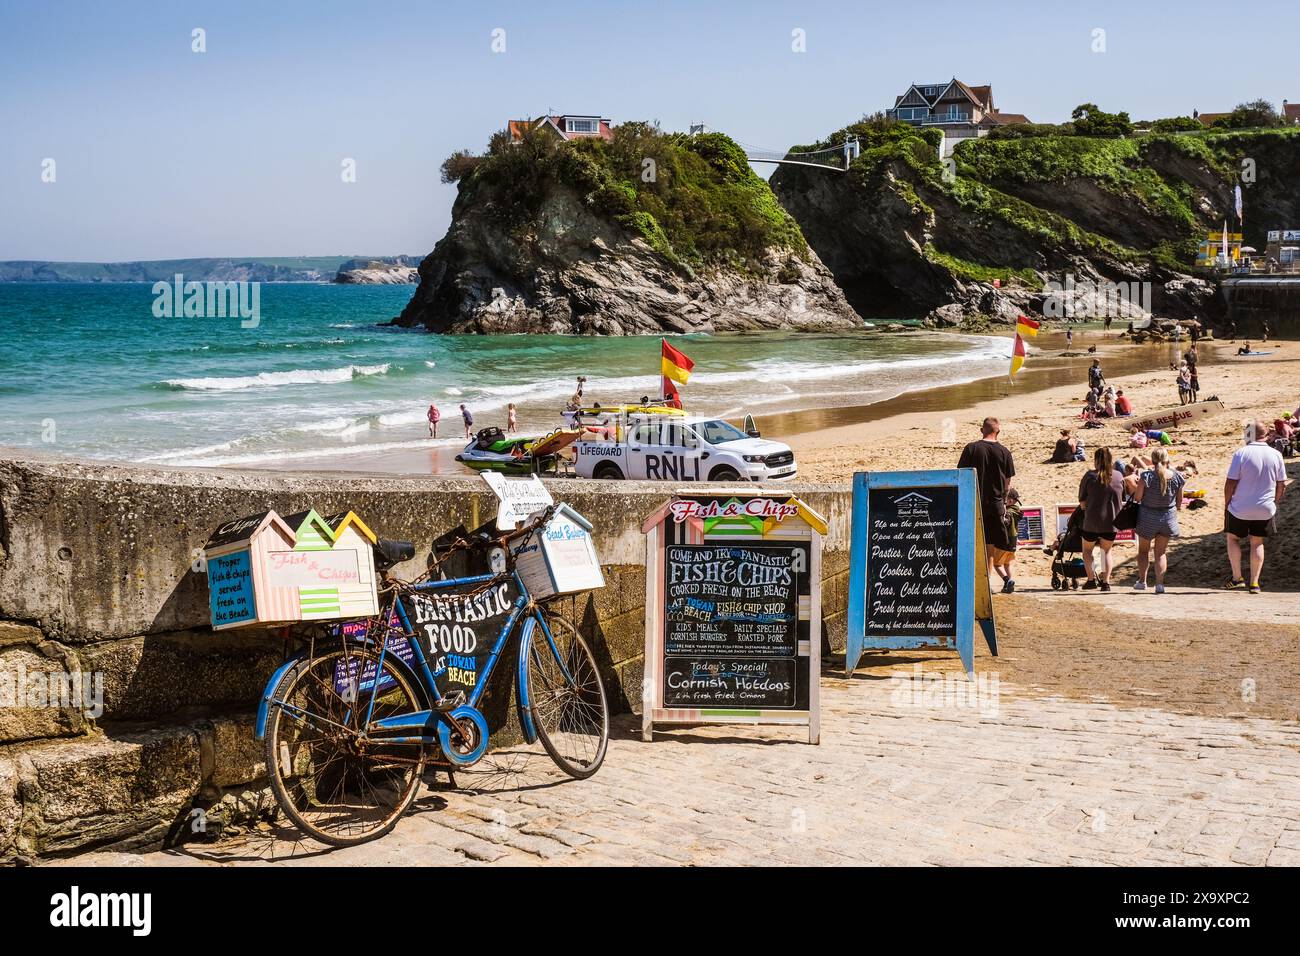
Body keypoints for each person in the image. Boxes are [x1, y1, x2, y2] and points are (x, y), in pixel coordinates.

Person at [1224, 420, 1288, 593]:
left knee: (1232, 538)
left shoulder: (1241, 453)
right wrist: (1275, 501)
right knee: (1257, 542)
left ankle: (1237, 578)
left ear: (1248, 435)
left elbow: (1230, 482)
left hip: (1241, 506)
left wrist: (1227, 502)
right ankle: (1254, 582)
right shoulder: (1276, 454)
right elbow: (1282, 484)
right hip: (1265, 507)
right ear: (1265, 435)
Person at [957, 417, 1017, 585]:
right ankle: (987, 582)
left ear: (982, 430)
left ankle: (972, 580)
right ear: (998, 431)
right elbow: (1007, 483)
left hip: (973, 502)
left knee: (970, 542)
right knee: (989, 546)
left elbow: (962, 475)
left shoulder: (971, 448)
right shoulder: (1005, 452)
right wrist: (1004, 502)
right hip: (996, 504)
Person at [1131, 447, 1185, 593]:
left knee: (1143, 551)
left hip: (1147, 517)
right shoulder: (1177, 476)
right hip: (1167, 517)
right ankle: (1160, 584)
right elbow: (1179, 502)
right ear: (1167, 459)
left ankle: (1142, 581)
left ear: (1152, 460)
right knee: (1160, 552)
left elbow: (1138, 498)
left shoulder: (1146, 476)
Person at [1078, 446, 1124, 591]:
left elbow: (1082, 502)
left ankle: (1091, 579)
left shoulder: (1090, 476)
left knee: (1087, 551)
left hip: (1092, 520)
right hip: (1111, 521)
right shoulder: (1118, 476)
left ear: (1096, 460)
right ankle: (1106, 582)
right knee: (1107, 551)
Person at [990, 488, 1023, 594]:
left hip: (1004, 541)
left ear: (1010, 500)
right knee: (1007, 564)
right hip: (1013, 543)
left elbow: (1006, 522)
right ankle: (1009, 585)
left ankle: (1007, 580)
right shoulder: (1017, 510)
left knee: (997, 564)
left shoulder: (1008, 512)